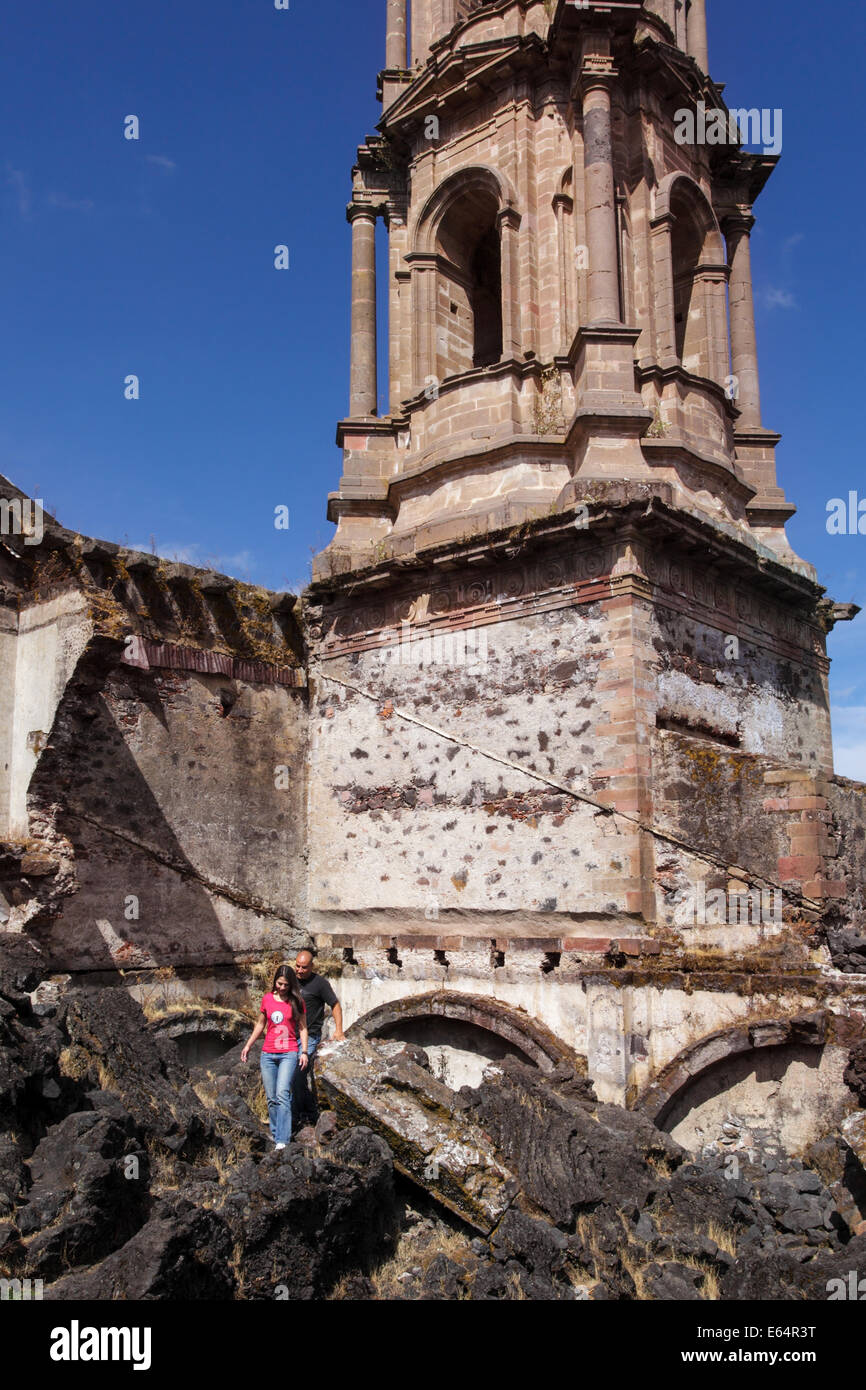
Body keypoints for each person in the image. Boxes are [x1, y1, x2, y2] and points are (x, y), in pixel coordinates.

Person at [241, 964, 308, 1150]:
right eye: (279, 983)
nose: (282, 987)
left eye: (286, 984)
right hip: (268, 1054)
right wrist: (248, 1045)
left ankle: (283, 1140)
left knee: (282, 1094)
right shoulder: (267, 999)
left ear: (291, 984)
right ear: (275, 982)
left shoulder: (297, 1002)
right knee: (271, 1097)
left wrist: (304, 1052)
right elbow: (260, 1025)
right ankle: (276, 1132)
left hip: (289, 1052)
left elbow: (302, 1027)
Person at [292, 949, 344, 1127]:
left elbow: (335, 1005)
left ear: (312, 966)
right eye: (297, 966)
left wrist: (339, 1030)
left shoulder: (320, 984)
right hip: (290, 1035)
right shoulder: (290, 981)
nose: (299, 970)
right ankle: (295, 1113)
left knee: (298, 1073)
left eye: (303, 967)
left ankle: (308, 1113)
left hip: (311, 1034)